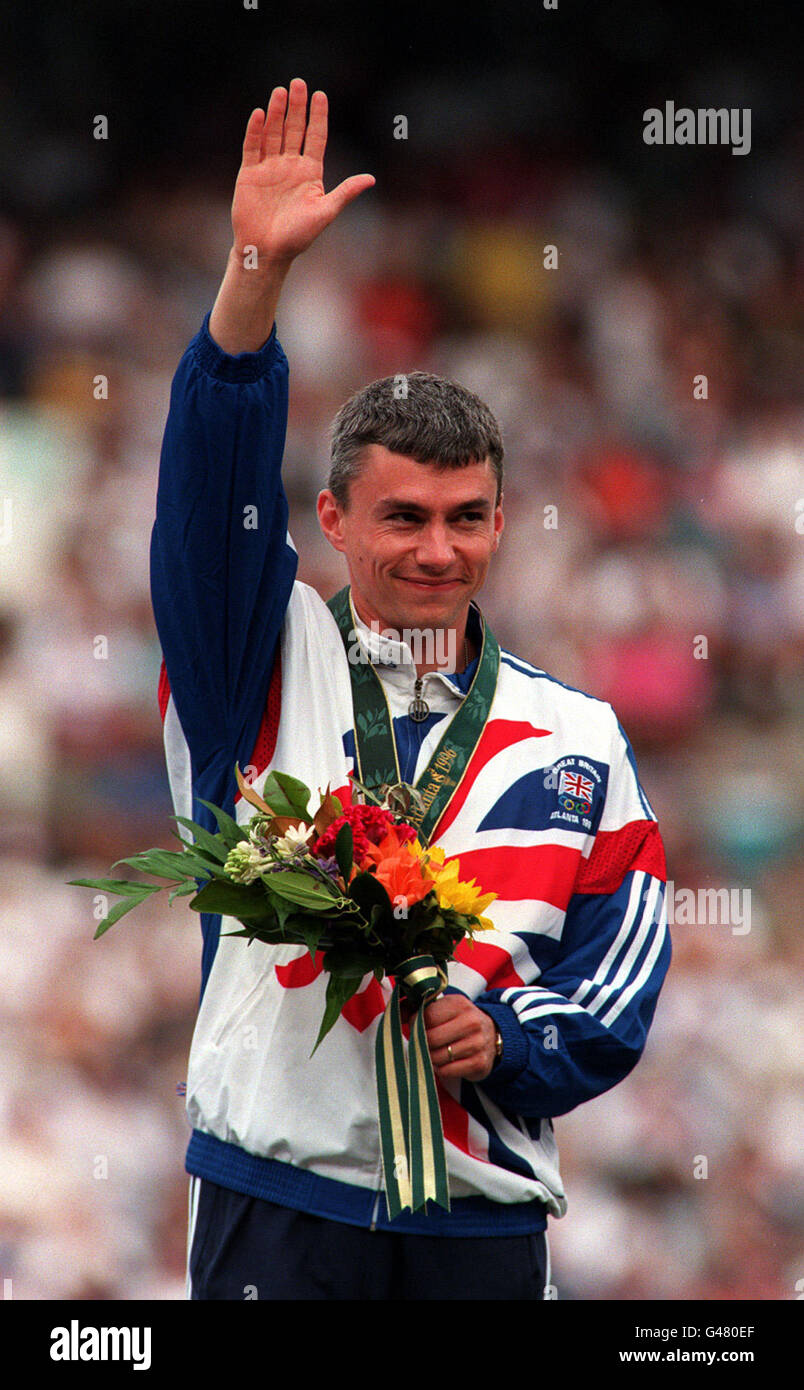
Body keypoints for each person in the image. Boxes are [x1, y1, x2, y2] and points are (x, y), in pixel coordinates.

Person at [151, 79, 671, 1300]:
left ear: (501, 522)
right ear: (332, 518)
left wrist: (512, 1039)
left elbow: (622, 966)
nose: (439, 551)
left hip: (480, 1226)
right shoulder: (257, 664)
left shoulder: (577, 737)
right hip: (279, 1202)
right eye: (403, 518)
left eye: (466, 517)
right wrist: (254, 283)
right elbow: (203, 515)